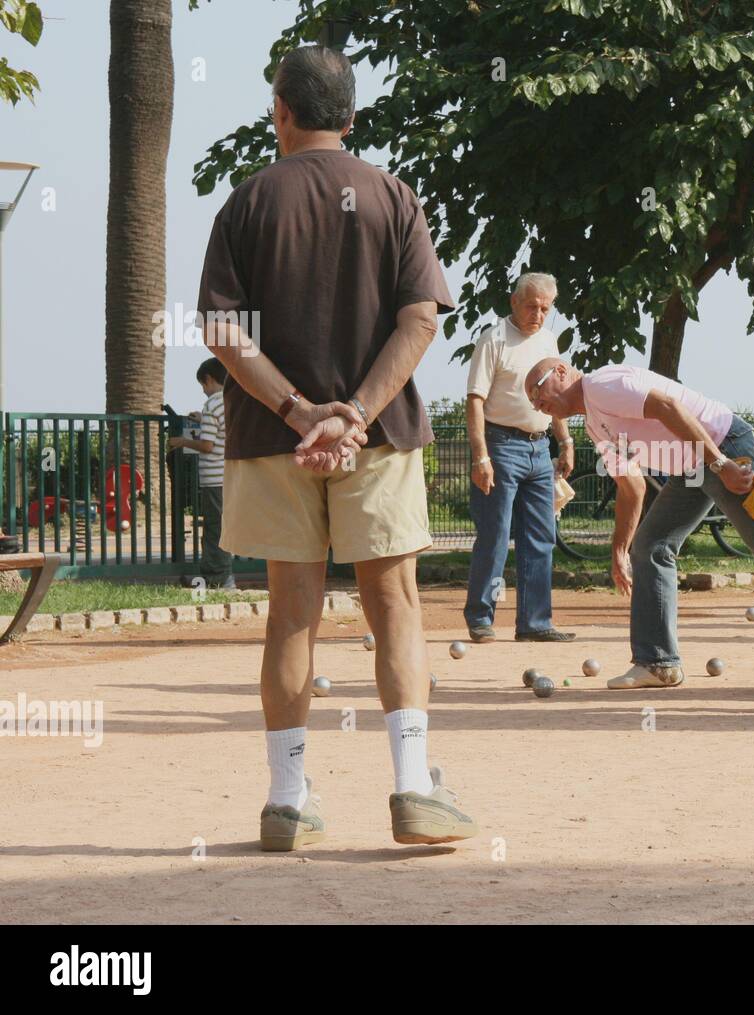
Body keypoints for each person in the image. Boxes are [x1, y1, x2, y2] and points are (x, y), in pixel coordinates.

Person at [197, 45, 476, 851]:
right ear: (352, 117)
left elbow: (221, 330)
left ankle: (288, 798)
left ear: (280, 112)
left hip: (268, 440)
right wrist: (352, 412)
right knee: (395, 607)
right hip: (379, 436)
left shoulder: (246, 204)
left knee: (292, 614)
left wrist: (295, 409)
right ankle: (414, 788)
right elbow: (422, 317)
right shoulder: (393, 196)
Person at [526, 357, 754, 689]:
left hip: (722, 444)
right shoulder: (595, 423)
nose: (538, 405)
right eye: (532, 403)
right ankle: (657, 663)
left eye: (537, 392)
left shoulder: (602, 386)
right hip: (692, 469)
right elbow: (631, 484)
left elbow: (668, 406)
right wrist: (619, 551)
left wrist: (720, 463)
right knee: (650, 547)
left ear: (563, 372)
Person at [463, 272, 575, 644]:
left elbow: (556, 394)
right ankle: (481, 617)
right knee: (495, 536)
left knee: (542, 536)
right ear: (514, 302)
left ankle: (535, 622)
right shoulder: (493, 339)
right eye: (532, 306)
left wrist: (565, 440)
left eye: (546, 308)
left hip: (540, 447)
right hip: (500, 445)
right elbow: (475, 399)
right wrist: (481, 456)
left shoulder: (548, 340)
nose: (538, 314)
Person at [167, 357, 235, 590]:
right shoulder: (230, 401)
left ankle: (217, 578)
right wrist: (202, 419)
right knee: (223, 526)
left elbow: (208, 445)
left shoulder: (212, 404)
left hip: (214, 478)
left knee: (214, 528)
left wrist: (182, 441)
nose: (203, 391)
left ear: (208, 379)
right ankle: (222, 576)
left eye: (202, 385)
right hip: (230, 476)